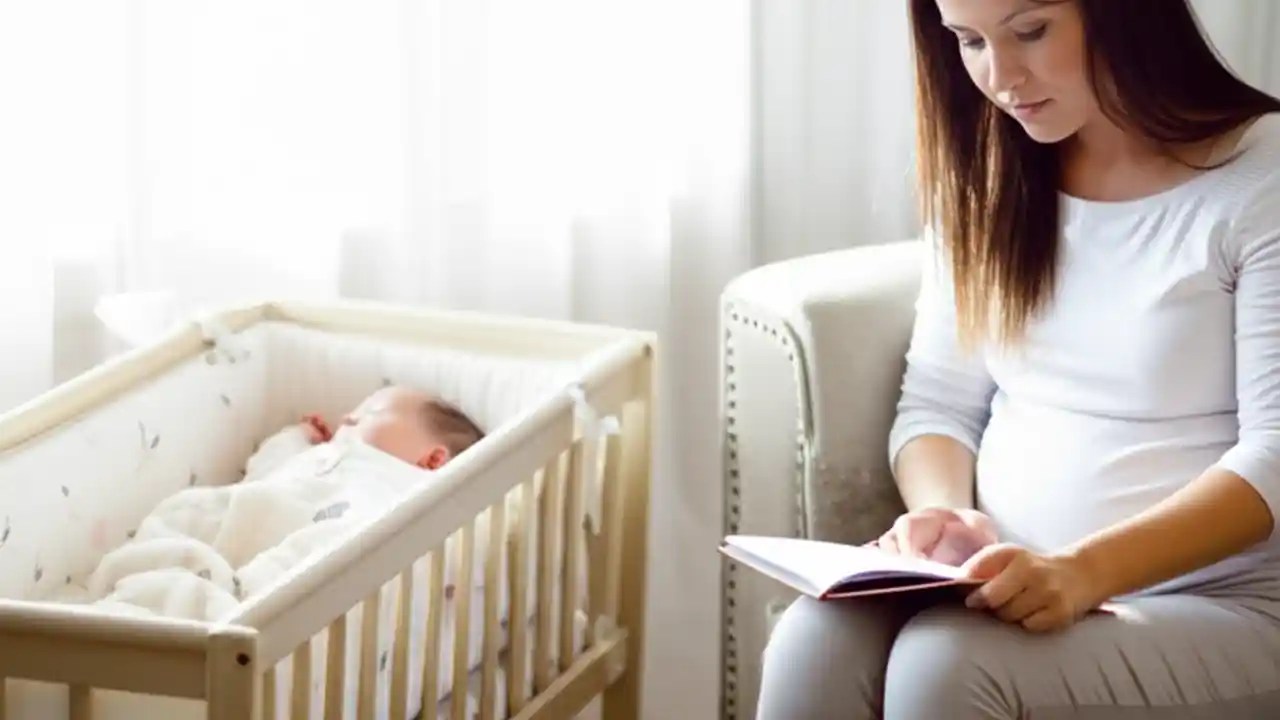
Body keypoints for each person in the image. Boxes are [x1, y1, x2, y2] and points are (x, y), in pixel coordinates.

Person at [756, 0, 1280, 717]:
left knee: (947, 667)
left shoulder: (1259, 179)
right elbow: (938, 403)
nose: (1000, 78)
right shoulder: (994, 173)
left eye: (1031, 31)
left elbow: (1275, 459)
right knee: (814, 635)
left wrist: (1084, 572)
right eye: (969, 41)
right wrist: (945, 514)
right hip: (1013, 581)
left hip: (1218, 602)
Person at [67, 385, 484, 620]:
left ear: (432, 458)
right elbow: (263, 468)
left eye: (372, 412)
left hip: (311, 536)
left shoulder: (411, 486)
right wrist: (294, 438)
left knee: (339, 548)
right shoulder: (318, 452)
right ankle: (135, 576)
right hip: (244, 512)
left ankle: (241, 603)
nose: (349, 418)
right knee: (186, 510)